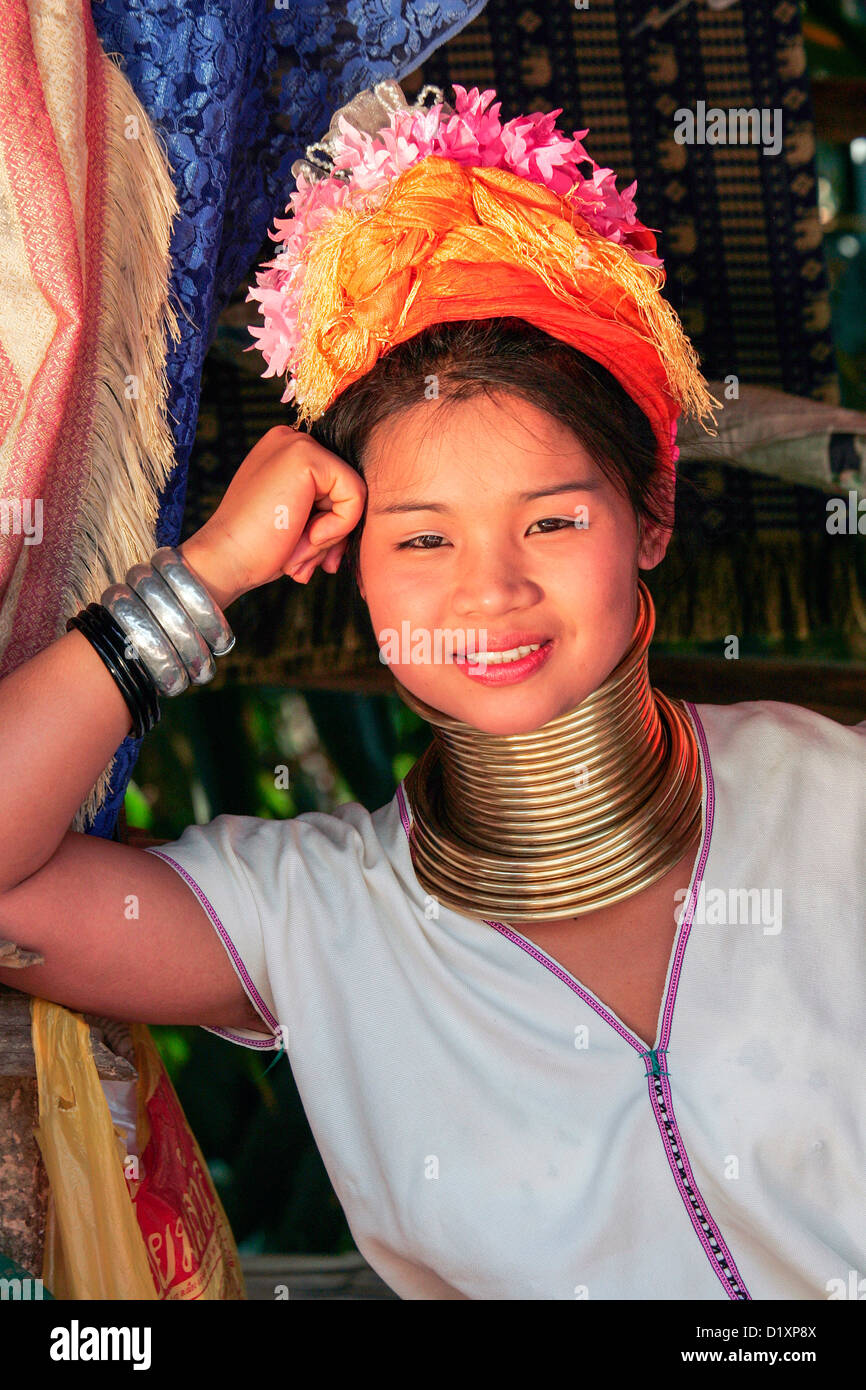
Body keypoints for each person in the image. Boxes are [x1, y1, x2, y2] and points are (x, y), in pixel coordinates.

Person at [1, 82, 864, 1302]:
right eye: (420, 540)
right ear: (340, 558)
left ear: (650, 517)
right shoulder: (315, 924)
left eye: (551, 519)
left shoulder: (840, 808)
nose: (487, 594)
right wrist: (208, 572)